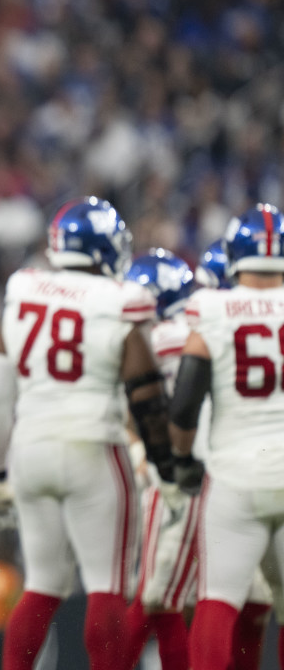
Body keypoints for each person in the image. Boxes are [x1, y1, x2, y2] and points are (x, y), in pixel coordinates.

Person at [0, 196, 173, 670]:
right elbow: (146, 396)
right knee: (107, 587)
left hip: (30, 450)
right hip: (94, 446)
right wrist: (168, 465)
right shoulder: (120, 300)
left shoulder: (24, 289)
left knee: (41, 585)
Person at [121, 247, 278, 670]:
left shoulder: (188, 330)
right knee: (245, 605)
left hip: (211, 476)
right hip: (247, 470)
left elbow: (165, 405)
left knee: (182, 598)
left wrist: (165, 456)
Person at [168, 203, 284, 670]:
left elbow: (184, 404)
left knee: (217, 603)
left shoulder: (213, 308)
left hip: (235, 475)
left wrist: (183, 461)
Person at [118, 249, 198, 670]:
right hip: (207, 473)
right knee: (179, 599)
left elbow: (133, 405)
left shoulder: (154, 340)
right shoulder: (197, 333)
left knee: (157, 596)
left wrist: (139, 450)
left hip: (171, 476)